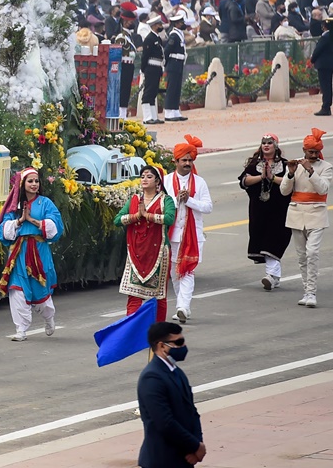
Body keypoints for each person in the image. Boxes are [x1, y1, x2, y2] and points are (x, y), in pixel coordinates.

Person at [0, 168, 64, 341]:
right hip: (19, 253)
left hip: (39, 252)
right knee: (17, 290)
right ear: (22, 184)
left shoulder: (45, 203)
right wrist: (20, 220)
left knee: (40, 294)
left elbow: (55, 226)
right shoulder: (15, 206)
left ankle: (48, 318)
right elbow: (3, 229)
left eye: (36, 181)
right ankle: (21, 329)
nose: (34, 184)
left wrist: (31, 220)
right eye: (30, 181)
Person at [137, 321, 205, 468]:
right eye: (178, 342)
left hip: (184, 457)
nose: (183, 346)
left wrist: (197, 444)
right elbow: (164, 423)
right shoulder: (151, 377)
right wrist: (195, 446)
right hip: (162, 459)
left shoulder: (176, 372)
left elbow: (192, 412)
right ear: (161, 345)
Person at [280, 128, 333, 307]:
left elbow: (323, 189)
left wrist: (311, 171)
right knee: (302, 256)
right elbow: (284, 191)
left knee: (312, 253)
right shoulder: (297, 166)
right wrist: (290, 173)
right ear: (304, 150)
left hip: (316, 214)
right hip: (296, 214)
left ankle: (312, 293)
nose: (313, 154)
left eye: (316, 151)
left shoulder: (326, 167)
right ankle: (306, 291)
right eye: (310, 151)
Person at [116, 165, 176, 322]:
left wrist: (148, 216)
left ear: (157, 181)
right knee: (134, 296)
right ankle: (131, 332)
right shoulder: (134, 200)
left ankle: (158, 333)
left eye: (149, 177)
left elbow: (170, 218)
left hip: (158, 253)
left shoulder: (166, 200)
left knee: (158, 296)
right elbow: (117, 220)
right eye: (142, 176)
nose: (144, 179)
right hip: (136, 253)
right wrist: (136, 216)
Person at [165, 136, 212, 324]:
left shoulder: (200, 183)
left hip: (193, 235)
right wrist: (177, 201)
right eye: (183, 160)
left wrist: (189, 200)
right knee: (175, 273)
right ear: (175, 161)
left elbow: (208, 207)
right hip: (173, 234)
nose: (187, 163)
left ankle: (183, 307)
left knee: (188, 270)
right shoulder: (167, 181)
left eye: (190, 160)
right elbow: (162, 205)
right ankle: (182, 306)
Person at [240, 133, 292, 290]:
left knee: (274, 240)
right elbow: (244, 181)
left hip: (279, 211)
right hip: (259, 210)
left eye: (270, 142)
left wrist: (272, 177)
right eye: (264, 142)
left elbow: (290, 182)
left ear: (276, 145)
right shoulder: (255, 163)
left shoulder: (285, 164)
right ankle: (273, 277)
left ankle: (271, 276)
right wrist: (261, 177)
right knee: (262, 241)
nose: (266, 145)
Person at [114, 2, 142, 117]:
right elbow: (117, 55)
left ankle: (123, 113)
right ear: (125, 22)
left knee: (127, 90)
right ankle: (121, 114)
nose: (133, 23)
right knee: (123, 90)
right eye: (131, 21)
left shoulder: (129, 36)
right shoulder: (121, 37)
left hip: (129, 65)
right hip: (123, 66)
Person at [162, 11, 188, 122]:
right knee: (172, 88)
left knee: (177, 88)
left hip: (179, 62)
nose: (183, 24)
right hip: (173, 62)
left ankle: (175, 110)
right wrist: (166, 63)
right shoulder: (174, 35)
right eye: (181, 22)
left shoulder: (179, 34)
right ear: (176, 24)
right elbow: (167, 51)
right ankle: (168, 112)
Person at [141, 14, 166, 125]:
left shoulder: (157, 38)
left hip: (157, 67)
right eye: (159, 24)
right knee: (148, 92)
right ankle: (147, 117)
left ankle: (153, 116)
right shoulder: (149, 39)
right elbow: (145, 55)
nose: (161, 26)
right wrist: (143, 69)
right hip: (150, 67)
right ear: (154, 26)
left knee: (153, 93)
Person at [312, 17, 333, 116]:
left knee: (326, 87)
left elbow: (318, 50)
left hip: (324, 64)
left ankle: (326, 107)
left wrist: (312, 60)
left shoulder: (325, 37)